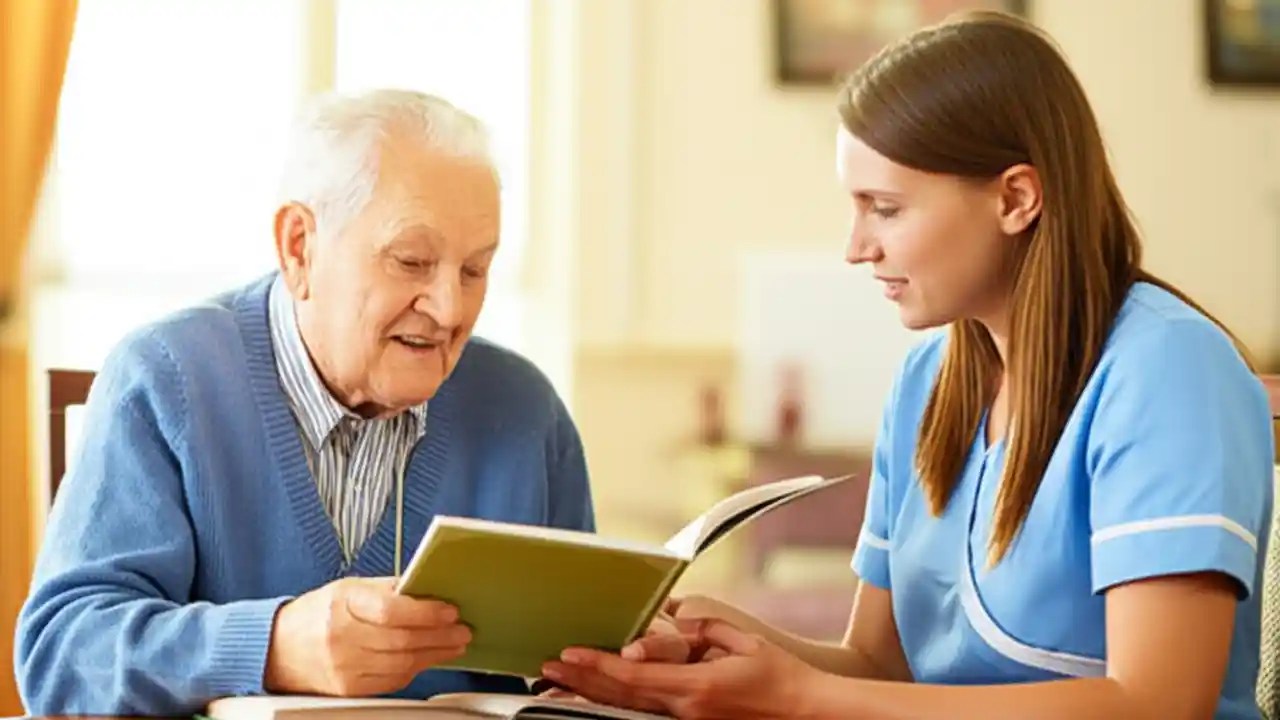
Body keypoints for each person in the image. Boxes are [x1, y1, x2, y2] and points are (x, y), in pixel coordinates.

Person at [540, 11, 1276, 720]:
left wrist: (797, 698)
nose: (856, 247)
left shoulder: (1170, 372)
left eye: (885, 208)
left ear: (1016, 198)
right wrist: (726, 642)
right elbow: (880, 669)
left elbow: (1156, 704)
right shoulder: (927, 384)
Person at [15, 89, 595, 716]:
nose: (450, 310)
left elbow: (576, 673)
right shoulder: (166, 379)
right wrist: (273, 646)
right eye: (412, 261)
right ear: (299, 247)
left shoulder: (527, 411)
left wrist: (633, 666)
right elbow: (62, 660)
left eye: (475, 271)